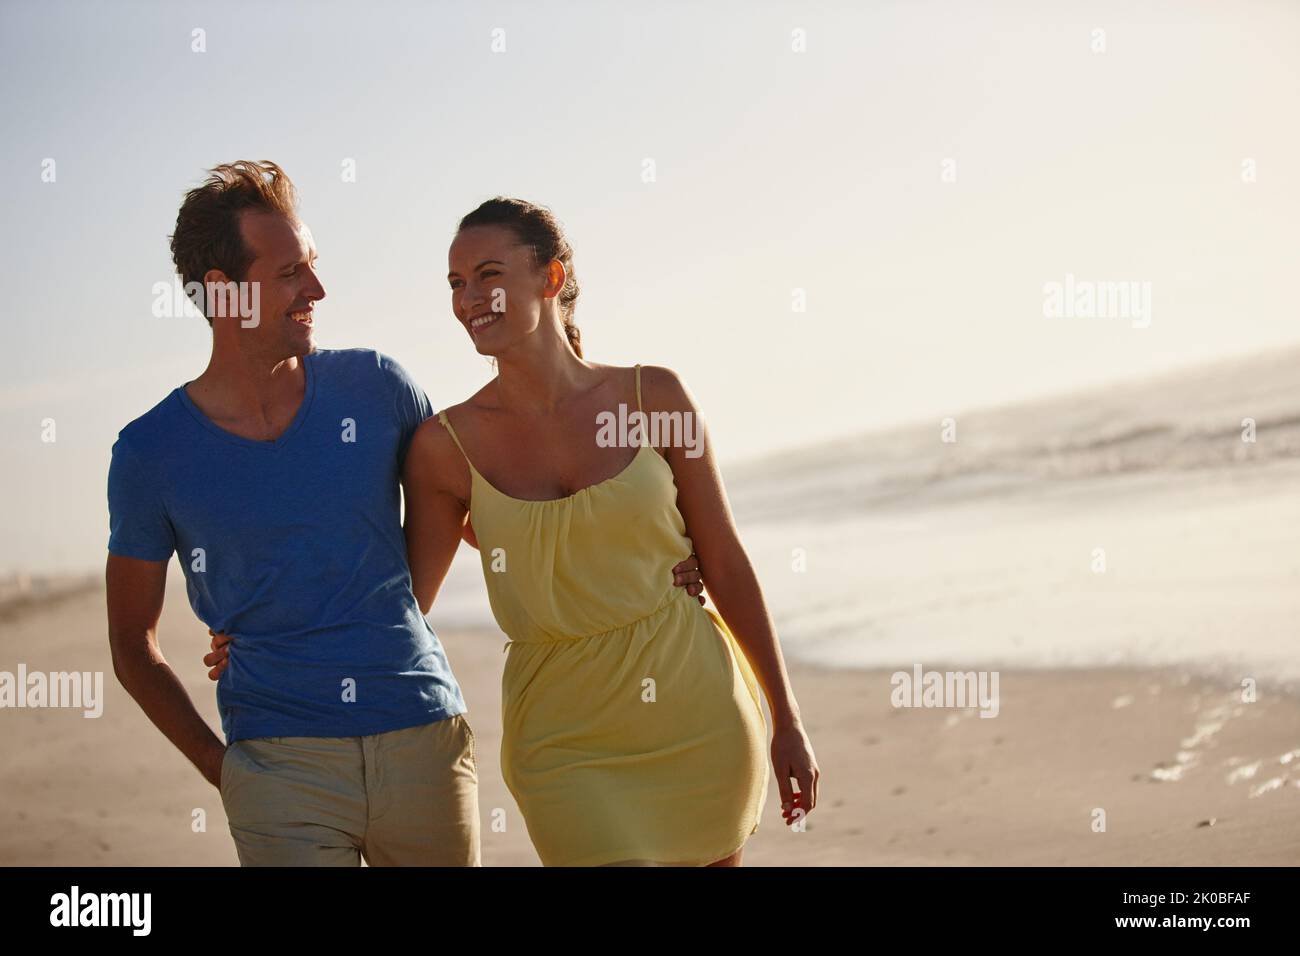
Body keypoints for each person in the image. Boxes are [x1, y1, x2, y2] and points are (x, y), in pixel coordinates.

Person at [107, 160, 707, 867]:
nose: (317, 290)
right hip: (278, 765)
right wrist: (225, 769)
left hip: (424, 738)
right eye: (289, 274)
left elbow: (504, 525)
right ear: (224, 292)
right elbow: (131, 644)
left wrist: (646, 564)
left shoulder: (376, 387)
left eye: (313, 266)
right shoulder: (152, 452)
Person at [398, 197, 820, 866]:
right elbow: (403, 606)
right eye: (455, 283)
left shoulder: (655, 397)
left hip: (694, 707)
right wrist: (266, 625)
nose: (468, 298)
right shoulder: (445, 447)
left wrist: (787, 719)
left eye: (487, 274)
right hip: (562, 738)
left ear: (551, 278)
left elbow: (727, 563)